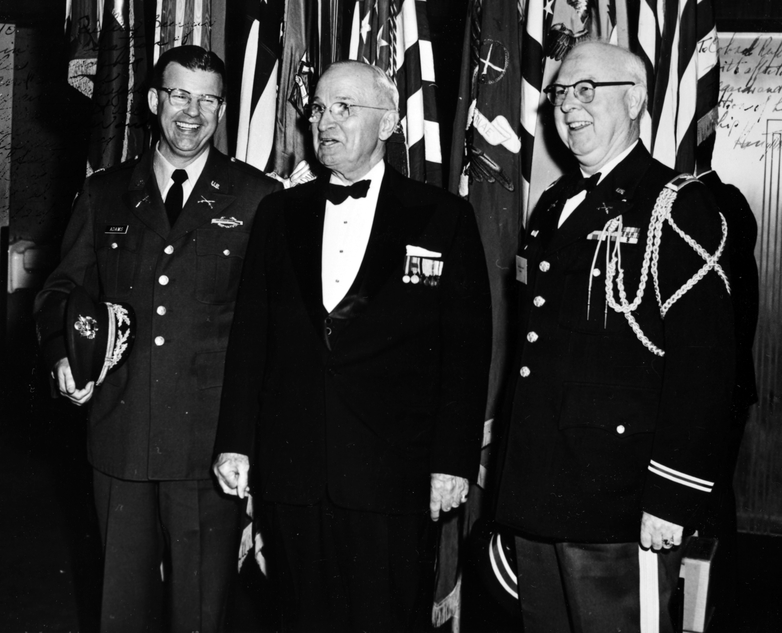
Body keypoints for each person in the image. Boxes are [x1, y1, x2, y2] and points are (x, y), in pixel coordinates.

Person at [213, 60, 492, 632]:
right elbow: (250, 339)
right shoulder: (278, 212)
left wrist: (452, 462)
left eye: (345, 107)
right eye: (318, 108)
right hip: (293, 471)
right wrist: (235, 444)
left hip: (395, 475)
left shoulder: (443, 217)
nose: (326, 122)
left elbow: (466, 354)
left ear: (389, 122)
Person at [34, 45, 281, 632]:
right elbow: (59, 292)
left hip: (209, 448)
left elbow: (273, 329)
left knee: (199, 613)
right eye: (179, 95)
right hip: (120, 438)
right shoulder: (105, 194)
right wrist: (63, 355)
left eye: (207, 99)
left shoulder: (257, 198)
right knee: (119, 610)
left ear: (222, 109)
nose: (191, 112)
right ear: (153, 101)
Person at [493, 41, 735, 632]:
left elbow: (704, 368)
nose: (568, 107)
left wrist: (672, 496)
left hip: (621, 498)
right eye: (559, 94)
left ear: (634, 100)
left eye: (585, 90)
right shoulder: (552, 205)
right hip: (542, 485)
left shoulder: (678, 207)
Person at [695, 131, 760, 630]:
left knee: (707, 494)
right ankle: (722, 601)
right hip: (733, 383)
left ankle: (712, 604)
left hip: (714, 384)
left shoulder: (708, 206)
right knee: (716, 492)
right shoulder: (730, 201)